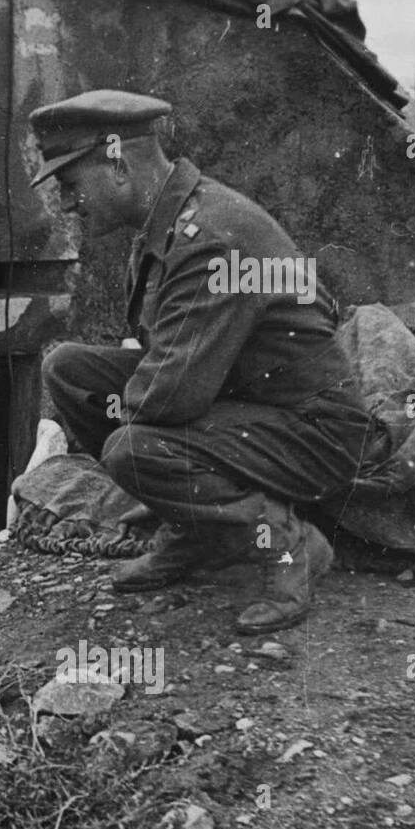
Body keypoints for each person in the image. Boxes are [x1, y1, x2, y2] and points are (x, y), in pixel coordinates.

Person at [29, 90, 370, 634]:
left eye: (70, 183)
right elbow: (169, 361)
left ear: (116, 163)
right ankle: (194, 528)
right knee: (69, 370)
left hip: (312, 433)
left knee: (134, 450)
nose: (68, 203)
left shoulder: (210, 237)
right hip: (247, 406)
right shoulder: (168, 221)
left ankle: (291, 548)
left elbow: (173, 395)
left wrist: (137, 450)